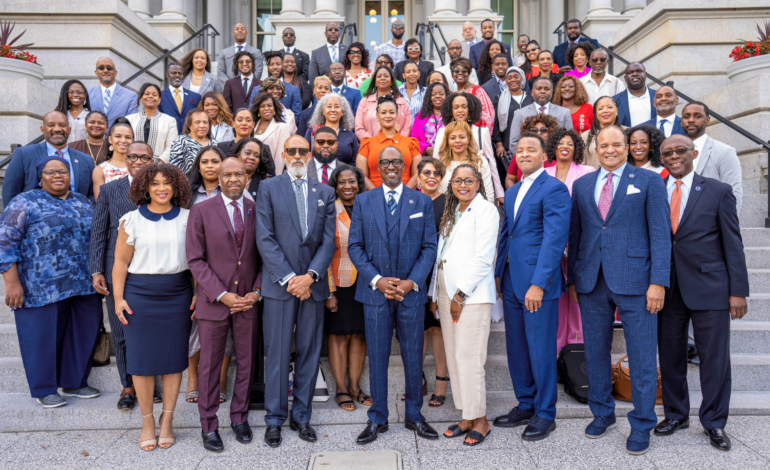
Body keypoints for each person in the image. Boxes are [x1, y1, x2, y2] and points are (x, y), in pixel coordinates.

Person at [567, 125, 671, 455]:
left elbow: (660, 235)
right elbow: (577, 234)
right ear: (595, 148)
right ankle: (602, 414)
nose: (609, 149)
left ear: (627, 148)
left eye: (616, 144)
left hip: (638, 283)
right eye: (603, 144)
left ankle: (642, 423)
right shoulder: (582, 185)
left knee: (641, 357)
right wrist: (573, 279)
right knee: (595, 353)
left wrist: (659, 282)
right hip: (591, 282)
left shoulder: (649, 181)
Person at [654, 134, 749, 451]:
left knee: (714, 359)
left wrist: (738, 291)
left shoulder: (718, 191)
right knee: (670, 357)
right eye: (667, 153)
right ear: (662, 158)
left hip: (710, 287)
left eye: (680, 151)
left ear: (693, 153)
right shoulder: (656, 190)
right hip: (668, 289)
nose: (674, 156)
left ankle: (714, 422)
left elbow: (732, 244)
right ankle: (676, 415)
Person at [348, 146, 439, 445]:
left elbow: (429, 247)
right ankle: (378, 418)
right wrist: (376, 279)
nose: (390, 166)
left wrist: (412, 282)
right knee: (377, 356)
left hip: (410, 294)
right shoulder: (363, 201)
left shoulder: (421, 201)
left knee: (414, 356)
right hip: (375, 293)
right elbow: (355, 247)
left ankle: (414, 415)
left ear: (404, 165)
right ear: (377, 165)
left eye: (395, 162)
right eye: (384, 162)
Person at [1, 155, 102, 409]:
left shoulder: (82, 201)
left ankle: (74, 381)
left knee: (82, 333)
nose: (58, 176)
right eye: (50, 172)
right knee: (40, 337)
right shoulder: (24, 202)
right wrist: (12, 283)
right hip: (41, 285)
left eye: (63, 171)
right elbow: (5, 242)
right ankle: (44, 388)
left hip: (82, 283)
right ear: (40, 177)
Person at [255, 135, 336, 448]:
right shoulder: (269, 188)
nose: (298, 155)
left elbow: (328, 241)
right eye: (293, 150)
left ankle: (301, 417)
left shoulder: (325, 192)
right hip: (280, 286)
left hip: (312, 287)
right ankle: (274, 419)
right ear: (283, 154)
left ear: (310, 154)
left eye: (304, 150)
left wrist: (310, 276)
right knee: (276, 353)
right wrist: (291, 278)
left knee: (308, 352)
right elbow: (265, 237)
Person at [112, 163, 193, 452]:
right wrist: (118, 298)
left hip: (178, 294)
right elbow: (120, 262)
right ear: (145, 186)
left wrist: (197, 292)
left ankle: (167, 420)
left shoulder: (188, 218)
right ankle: (147, 421)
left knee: (173, 360)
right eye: (155, 183)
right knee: (142, 363)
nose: (161, 188)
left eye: (166, 183)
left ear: (176, 186)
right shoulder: (130, 220)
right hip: (139, 296)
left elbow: (196, 260)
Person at [187, 157, 262, 453]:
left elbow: (262, 255)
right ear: (218, 178)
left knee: (246, 362)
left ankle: (240, 418)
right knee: (209, 366)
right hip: (214, 302)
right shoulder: (201, 210)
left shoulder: (257, 210)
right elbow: (195, 260)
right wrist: (221, 294)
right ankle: (209, 425)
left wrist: (256, 291)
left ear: (246, 177)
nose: (234, 179)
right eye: (227, 174)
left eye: (239, 174)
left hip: (248, 302)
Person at [429, 163, 499, 446]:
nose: (462, 185)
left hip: (470, 295)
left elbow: (483, 258)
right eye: (457, 181)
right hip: (446, 290)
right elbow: (441, 254)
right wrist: (436, 292)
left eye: (468, 180)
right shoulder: (452, 210)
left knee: (470, 358)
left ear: (478, 183)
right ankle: (467, 415)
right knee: (455, 356)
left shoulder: (486, 210)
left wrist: (459, 295)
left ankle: (481, 419)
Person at [89, 141, 154, 410]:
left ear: (153, 160)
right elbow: (98, 231)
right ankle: (128, 386)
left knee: (150, 331)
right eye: (132, 157)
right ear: (124, 159)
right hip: (117, 269)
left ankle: (149, 383)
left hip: (152, 269)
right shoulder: (109, 190)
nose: (138, 161)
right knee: (121, 329)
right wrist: (96, 270)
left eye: (144, 157)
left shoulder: (162, 187)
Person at [184, 146, 232, 406]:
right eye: (205, 162)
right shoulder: (188, 196)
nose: (211, 166)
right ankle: (193, 379)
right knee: (194, 326)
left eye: (216, 161)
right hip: (192, 269)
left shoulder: (235, 194)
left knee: (226, 328)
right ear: (198, 166)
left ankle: (221, 381)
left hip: (226, 272)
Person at [323, 164, 372, 411]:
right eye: (342, 182)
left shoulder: (368, 207)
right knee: (339, 335)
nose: (347, 186)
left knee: (359, 335)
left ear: (359, 184)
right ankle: (341, 388)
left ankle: (355, 386)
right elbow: (324, 252)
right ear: (335, 186)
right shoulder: (329, 211)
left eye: (352, 181)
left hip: (366, 283)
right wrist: (329, 291)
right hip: (338, 282)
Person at [543, 128, 595, 350]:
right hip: (551, 239)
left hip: (578, 239)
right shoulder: (543, 173)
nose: (565, 146)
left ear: (577, 148)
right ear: (553, 147)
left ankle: (575, 350)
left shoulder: (588, 171)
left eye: (570, 143)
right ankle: (555, 350)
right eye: (560, 143)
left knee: (575, 296)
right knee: (556, 297)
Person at [413, 158, 450, 407]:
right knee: (417, 328)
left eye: (437, 173)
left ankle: (441, 382)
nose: (431, 177)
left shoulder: (449, 203)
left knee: (437, 329)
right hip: (415, 272)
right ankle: (417, 381)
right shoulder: (410, 200)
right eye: (426, 172)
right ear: (418, 176)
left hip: (439, 272)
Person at [3, 111, 95, 206]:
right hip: (35, 218)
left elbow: (93, 193)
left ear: (69, 130)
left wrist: (87, 205)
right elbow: (10, 192)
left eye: (62, 125)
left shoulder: (86, 160)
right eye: (51, 125)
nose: (57, 129)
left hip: (76, 217)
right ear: (43, 129)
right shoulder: (23, 154)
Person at [433, 95, 503, 201]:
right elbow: (436, 162)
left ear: (470, 109)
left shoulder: (481, 132)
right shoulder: (443, 132)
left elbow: (491, 162)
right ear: (450, 110)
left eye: (464, 107)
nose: (460, 110)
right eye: (456, 107)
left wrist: (499, 193)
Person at [681, 101, 743, 213]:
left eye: (698, 116)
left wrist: (728, 228)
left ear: (707, 120)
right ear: (681, 122)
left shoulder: (724, 152)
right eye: (686, 116)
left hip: (709, 225)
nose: (691, 120)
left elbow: (734, 194)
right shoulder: (671, 152)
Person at [357, 95, 421, 189]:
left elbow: (417, 174)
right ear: (377, 116)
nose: (388, 116)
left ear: (397, 116)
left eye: (391, 112)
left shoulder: (411, 143)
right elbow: (362, 176)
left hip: (406, 197)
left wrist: (403, 196)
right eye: (383, 112)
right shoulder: (367, 143)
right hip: (375, 198)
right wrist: (378, 197)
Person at [508, 77, 573, 152]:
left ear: (552, 93)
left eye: (546, 89)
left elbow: (569, 139)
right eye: (539, 89)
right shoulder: (519, 114)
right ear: (532, 92)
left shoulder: (565, 113)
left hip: (556, 160)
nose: (542, 91)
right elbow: (514, 143)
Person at [435, 121, 495, 202]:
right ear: (448, 141)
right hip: (446, 212)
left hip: (476, 212)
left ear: (468, 139)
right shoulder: (440, 165)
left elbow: (488, 196)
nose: (457, 141)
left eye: (462, 137)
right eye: (453, 138)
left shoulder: (480, 162)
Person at [493, 67, 533, 181]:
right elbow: (495, 122)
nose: (513, 80)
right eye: (509, 78)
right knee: (513, 176)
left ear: (522, 78)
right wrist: (499, 144)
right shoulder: (500, 99)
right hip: (508, 146)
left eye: (516, 77)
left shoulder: (531, 98)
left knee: (529, 175)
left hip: (530, 143)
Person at [355, 66, 413, 140]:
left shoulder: (402, 102)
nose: (382, 78)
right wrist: (372, 143)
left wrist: (396, 143)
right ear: (375, 82)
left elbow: (407, 127)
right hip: (371, 146)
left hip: (397, 147)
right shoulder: (365, 101)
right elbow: (359, 128)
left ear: (391, 81)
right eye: (379, 76)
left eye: (386, 76)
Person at [126, 83, 179, 163]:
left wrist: (159, 164)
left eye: (154, 95)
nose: (150, 96)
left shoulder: (169, 121)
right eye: (147, 94)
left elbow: (172, 146)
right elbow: (126, 143)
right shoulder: (129, 119)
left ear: (159, 99)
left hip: (159, 167)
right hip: (133, 164)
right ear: (141, 98)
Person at [505, 114, 559, 187]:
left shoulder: (557, 156)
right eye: (534, 130)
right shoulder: (521, 155)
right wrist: (514, 195)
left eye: (543, 130)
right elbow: (510, 178)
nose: (539, 133)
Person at [306, 96, 359, 166]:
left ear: (342, 112)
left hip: (343, 174)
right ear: (323, 111)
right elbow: (305, 155)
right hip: (316, 174)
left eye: (337, 106)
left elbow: (354, 162)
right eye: (329, 106)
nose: (333, 110)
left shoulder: (350, 135)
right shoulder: (312, 132)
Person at [87, 57, 138, 127]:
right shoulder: (87, 94)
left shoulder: (131, 96)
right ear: (96, 73)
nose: (105, 71)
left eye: (109, 68)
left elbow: (132, 124)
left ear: (115, 73)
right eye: (101, 68)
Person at [252, 51, 302, 122]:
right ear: (268, 66)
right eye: (271, 64)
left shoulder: (293, 90)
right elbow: (252, 113)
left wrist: (284, 128)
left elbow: (296, 115)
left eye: (278, 64)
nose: (275, 67)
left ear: (283, 66)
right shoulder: (256, 90)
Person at [450, 58, 496, 135]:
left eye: (464, 71)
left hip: (475, 135)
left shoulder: (477, 90)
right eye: (457, 71)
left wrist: (477, 133)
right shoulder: (453, 94)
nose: (460, 73)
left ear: (469, 73)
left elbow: (489, 115)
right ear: (452, 74)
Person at [250, 93, 293, 175]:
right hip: (252, 173)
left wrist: (275, 178)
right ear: (258, 109)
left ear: (274, 108)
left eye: (269, 105)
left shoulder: (282, 127)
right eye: (262, 106)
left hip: (269, 174)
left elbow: (280, 158)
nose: (266, 108)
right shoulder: (252, 126)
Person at [93, 118, 132, 200]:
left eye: (128, 137)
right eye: (118, 136)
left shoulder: (139, 167)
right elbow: (100, 202)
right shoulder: (100, 170)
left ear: (133, 140)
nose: (123, 140)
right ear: (110, 139)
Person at [582, 96, 626, 168]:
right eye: (600, 108)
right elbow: (582, 163)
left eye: (609, 107)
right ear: (596, 113)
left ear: (616, 110)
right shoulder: (585, 136)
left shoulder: (628, 132)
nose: (605, 111)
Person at [159, 63, 203, 134]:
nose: (177, 75)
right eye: (173, 73)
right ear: (167, 75)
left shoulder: (195, 96)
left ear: (183, 76)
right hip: (168, 136)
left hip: (190, 136)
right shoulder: (160, 96)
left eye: (180, 73)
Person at [169, 110, 216, 175]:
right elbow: (174, 169)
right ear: (189, 125)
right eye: (197, 122)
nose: (202, 125)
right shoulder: (181, 141)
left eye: (205, 122)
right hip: (187, 183)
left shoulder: (214, 143)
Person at [412, 82, 449, 157]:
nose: (437, 96)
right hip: (426, 157)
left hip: (448, 156)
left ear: (447, 96)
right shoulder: (421, 115)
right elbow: (413, 139)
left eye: (441, 94)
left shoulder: (452, 114)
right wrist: (425, 149)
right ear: (429, 97)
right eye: (434, 94)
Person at [614, 62, 656, 127]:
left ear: (646, 75)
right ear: (625, 78)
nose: (635, 74)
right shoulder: (614, 101)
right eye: (630, 72)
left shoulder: (658, 97)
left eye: (639, 71)